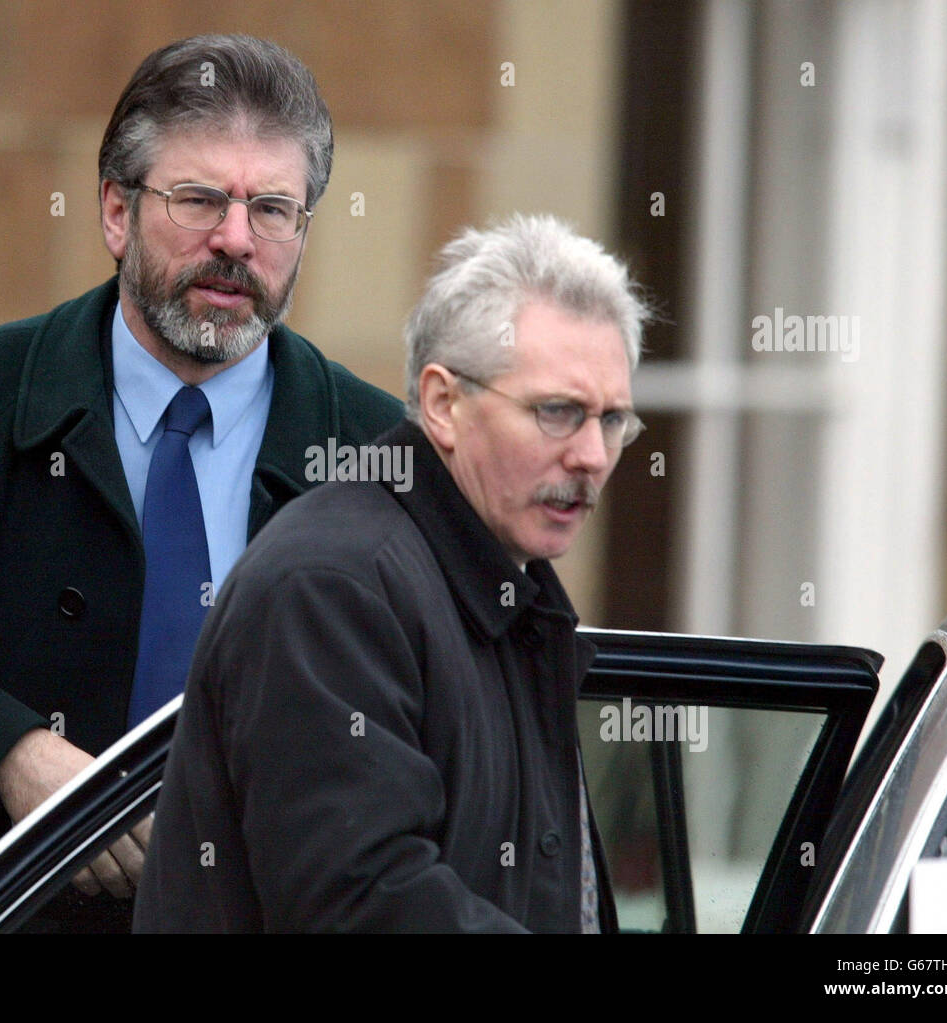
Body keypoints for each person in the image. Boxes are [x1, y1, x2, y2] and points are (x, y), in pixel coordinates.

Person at [0, 34, 402, 933]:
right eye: (200, 199)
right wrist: (8, 756)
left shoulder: (379, 458)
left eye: (274, 208)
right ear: (114, 212)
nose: (237, 240)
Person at [135, 213, 648, 932]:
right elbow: (363, 902)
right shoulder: (332, 586)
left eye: (613, 420)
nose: (592, 454)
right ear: (443, 403)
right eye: (558, 412)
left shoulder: (508, 598)